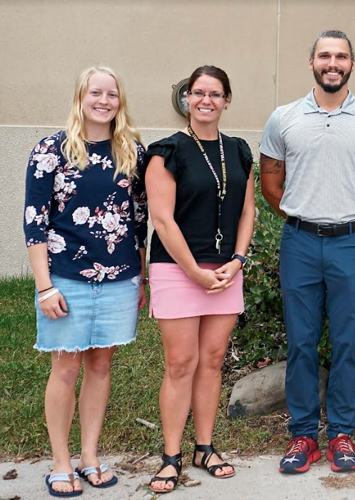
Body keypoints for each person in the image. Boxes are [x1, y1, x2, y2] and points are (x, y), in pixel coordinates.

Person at [259, 30, 355, 474]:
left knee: (347, 342)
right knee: (300, 342)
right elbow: (269, 183)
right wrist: (305, 216)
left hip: (352, 245)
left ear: (352, 64)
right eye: (325, 56)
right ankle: (303, 436)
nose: (332, 63)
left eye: (340, 56)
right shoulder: (283, 118)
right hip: (299, 243)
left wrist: (354, 218)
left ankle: (341, 433)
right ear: (312, 62)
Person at [24, 66, 147, 497]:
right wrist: (44, 286)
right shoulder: (51, 150)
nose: (103, 100)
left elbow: (139, 219)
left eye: (111, 94)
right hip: (66, 280)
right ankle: (61, 463)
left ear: (120, 101)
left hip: (120, 279)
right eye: (95, 92)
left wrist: (142, 276)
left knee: (100, 365)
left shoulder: (132, 149)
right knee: (66, 367)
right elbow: (34, 222)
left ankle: (90, 456)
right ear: (81, 97)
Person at [144, 65, 254, 493]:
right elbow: (162, 219)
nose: (206, 100)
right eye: (198, 92)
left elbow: (247, 211)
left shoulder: (240, 150)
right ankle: (171, 457)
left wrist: (239, 259)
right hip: (177, 270)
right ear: (186, 98)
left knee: (211, 362)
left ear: (227, 100)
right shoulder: (166, 151)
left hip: (226, 271)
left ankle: (204, 447)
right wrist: (195, 271)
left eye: (216, 93)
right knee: (180, 364)